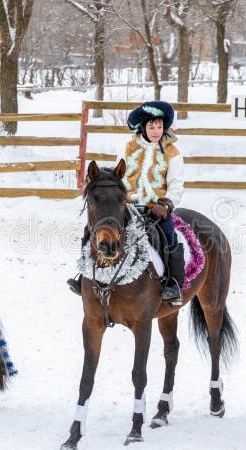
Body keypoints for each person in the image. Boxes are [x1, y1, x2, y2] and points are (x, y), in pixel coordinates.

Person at [68, 100, 186, 304]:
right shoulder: (128, 148)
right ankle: (84, 276)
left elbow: (176, 184)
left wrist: (165, 204)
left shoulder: (173, 153)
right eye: (151, 127)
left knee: (169, 236)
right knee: (91, 229)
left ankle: (173, 284)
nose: (156, 131)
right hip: (127, 205)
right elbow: (117, 176)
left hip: (156, 209)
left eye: (159, 126)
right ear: (143, 127)